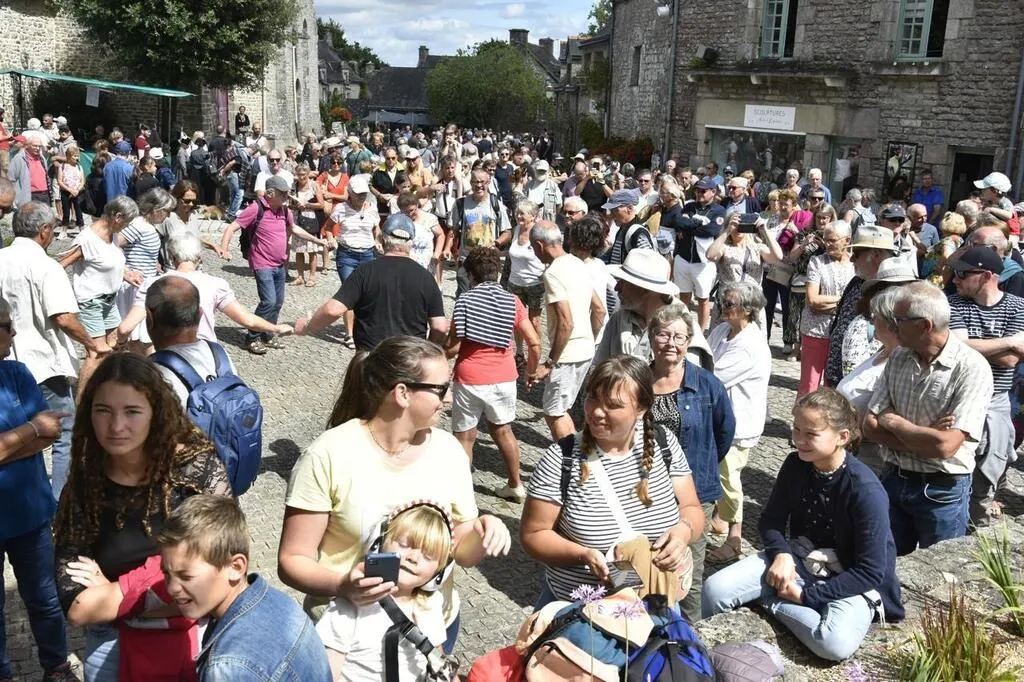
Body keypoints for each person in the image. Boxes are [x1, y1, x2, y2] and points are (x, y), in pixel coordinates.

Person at [278, 336, 512, 655]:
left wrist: (485, 530)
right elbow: (292, 560)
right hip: (348, 640)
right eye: (441, 389)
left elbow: (464, 553)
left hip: (430, 631)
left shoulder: (449, 452)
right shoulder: (327, 455)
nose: (449, 398)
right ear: (402, 393)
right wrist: (344, 585)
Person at [53, 353, 232, 681]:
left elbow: (223, 575)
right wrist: (168, 593)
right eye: (103, 411)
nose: (117, 426)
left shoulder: (194, 470)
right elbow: (77, 606)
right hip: (112, 640)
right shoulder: (85, 481)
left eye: (132, 411)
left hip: (195, 633)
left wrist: (118, 592)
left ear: (156, 414)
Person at [703, 389, 904, 661]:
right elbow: (771, 520)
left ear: (842, 437)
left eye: (811, 434)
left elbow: (870, 571)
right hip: (801, 560)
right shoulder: (795, 464)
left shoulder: (865, 490)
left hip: (850, 577)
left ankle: (768, 600)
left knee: (834, 643)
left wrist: (806, 597)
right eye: (796, 430)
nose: (799, 440)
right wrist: (782, 553)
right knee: (715, 590)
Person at [520, 355, 706, 607]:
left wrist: (684, 531)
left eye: (613, 405)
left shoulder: (664, 444)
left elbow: (692, 508)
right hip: (582, 612)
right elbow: (533, 535)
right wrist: (582, 554)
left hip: (652, 606)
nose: (596, 411)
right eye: (592, 398)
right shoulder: (561, 459)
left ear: (641, 409)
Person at [863, 281, 993, 555]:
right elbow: (870, 426)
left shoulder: (971, 368)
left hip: (941, 491)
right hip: (893, 479)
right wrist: (926, 437)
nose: (892, 326)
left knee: (942, 576)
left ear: (925, 325)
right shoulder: (898, 356)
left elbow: (946, 447)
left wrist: (897, 423)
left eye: (899, 320)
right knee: (886, 562)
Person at [0, 202, 112, 499]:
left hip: (6, 360)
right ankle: (59, 503)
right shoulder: (46, 266)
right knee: (65, 433)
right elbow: (62, 317)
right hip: (42, 364)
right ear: (45, 231)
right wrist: (92, 344)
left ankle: (20, 495)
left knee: (14, 433)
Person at [154, 495, 332, 681]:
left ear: (235, 567)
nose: (172, 588)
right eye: (166, 573)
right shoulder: (279, 602)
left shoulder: (229, 667)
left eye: (186, 576)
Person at [0, 296, 78, 682]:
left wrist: (11, 442)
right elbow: (39, 429)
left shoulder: (15, 373)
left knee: (45, 598)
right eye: (6, 326)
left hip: (30, 514)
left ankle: (57, 666)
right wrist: (28, 431)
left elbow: (52, 433)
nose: (13, 333)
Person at [648, 303, 735, 621]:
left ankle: (689, 646)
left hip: (696, 491)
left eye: (679, 337)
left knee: (690, 575)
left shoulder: (707, 385)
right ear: (651, 337)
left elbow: (724, 434)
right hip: (647, 494)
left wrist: (702, 464)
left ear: (689, 343)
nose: (671, 343)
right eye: (663, 334)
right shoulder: (638, 382)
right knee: (649, 566)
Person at [315, 501, 453, 681]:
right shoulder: (348, 607)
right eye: (404, 544)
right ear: (378, 543)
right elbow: (326, 673)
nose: (413, 558)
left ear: (439, 573)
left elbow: (438, 660)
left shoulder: (430, 604)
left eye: (428, 556)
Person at [946, 246, 1024, 526]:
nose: (955, 279)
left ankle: (975, 527)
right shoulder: (953, 303)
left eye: (962, 273)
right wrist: (1009, 341)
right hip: (958, 397)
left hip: (997, 401)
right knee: (952, 468)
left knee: (989, 471)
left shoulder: (1018, 306)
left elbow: (1011, 360)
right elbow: (958, 345)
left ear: (987, 275)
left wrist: (975, 346)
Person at [118, 234, 292, 355]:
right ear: (199, 258)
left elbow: (125, 328)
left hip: (165, 356)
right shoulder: (216, 285)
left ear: (171, 257)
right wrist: (276, 328)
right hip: (204, 354)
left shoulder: (151, 285)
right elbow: (247, 320)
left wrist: (120, 345)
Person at [296, 214, 447, 351]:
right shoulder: (426, 277)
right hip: (410, 358)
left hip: (372, 357)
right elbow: (440, 327)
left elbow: (332, 310)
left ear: (382, 238)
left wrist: (308, 326)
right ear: (411, 242)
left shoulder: (365, 272)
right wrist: (426, 352)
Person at [218, 175, 324, 355]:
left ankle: (268, 332)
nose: (286, 196)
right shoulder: (255, 208)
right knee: (268, 301)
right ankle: (252, 337)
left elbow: (295, 229)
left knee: (278, 302)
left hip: (280, 263)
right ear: (269, 193)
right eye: (282, 193)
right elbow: (232, 227)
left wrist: (317, 241)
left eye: (287, 193)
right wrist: (224, 248)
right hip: (262, 263)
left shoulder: (284, 211)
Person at [705, 281, 772, 564]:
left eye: (729, 304)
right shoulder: (723, 330)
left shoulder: (749, 345)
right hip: (720, 417)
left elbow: (712, 376)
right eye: (722, 301)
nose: (722, 306)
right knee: (719, 471)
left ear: (748, 310)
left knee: (728, 479)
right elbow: (704, 358)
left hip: (737, 424)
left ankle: (734, 539)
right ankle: (719, 519)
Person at [529, 223, 605, 440]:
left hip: (567, 355)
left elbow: (565, 323)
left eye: (534, 249)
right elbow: (599, 309)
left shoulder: (553, 273)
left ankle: (573, 464)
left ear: (539, 245)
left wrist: (550, 362)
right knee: (563, 410)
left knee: (554, 413)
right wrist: (588, 336)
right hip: (585, 350)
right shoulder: (579, 263)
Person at [58, 196, 139, 394]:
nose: (127, 226)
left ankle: (104, 391)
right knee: (96, 353)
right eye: (127, 222)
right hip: (91, 302)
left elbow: (110, 262)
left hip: (109, 301)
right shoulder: (87, 240)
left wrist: (127, 275)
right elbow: (60, 266)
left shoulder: (112, 235)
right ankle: (82, 403)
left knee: (116, 346)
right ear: (117, 216)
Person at [837, 286, 910, 474]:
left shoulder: (900, 362)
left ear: (890, 323)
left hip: (870, 458)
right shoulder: (883, 350)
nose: (871, 321)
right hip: (851, 450)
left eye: (874, 316)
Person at [822, 225, 897, 388]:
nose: (851, 259)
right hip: (836, 377)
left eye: (856, 254)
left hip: (866, 387)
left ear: (875, 255)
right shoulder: (857, 281)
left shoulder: (893, 290)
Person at [799, 221, 855, 397]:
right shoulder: (817, 262)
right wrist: (845, 301)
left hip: (843, 333)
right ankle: (802, 423)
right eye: (825, 239)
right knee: (810, 385)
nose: (827, 244)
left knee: (833, 386)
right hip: (816, 330)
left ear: (847, 240)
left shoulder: (855, 265)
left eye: (832, 240)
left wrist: (829, 302)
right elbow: (812, 299)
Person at [116, 188, 173, 354]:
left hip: (144, 285)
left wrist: (154, 263)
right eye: (167, 211)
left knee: (141, 338)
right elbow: (113, 246)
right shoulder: (138, 225)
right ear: (156, 210)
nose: (168, 216)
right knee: (143, 337)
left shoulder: (147, 226)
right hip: (133, 288)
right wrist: (126, 271)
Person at [445, 169, 512, 297]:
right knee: (463, 295)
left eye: (482, 182)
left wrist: (495, 243)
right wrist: (448, 248)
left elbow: (507, 233)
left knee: (485, 297)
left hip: (488, 260)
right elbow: (453, 231)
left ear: (489, 182)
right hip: (466, 258)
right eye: (475, 182)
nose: (479, 185)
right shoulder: (460, 204)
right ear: (470, 182)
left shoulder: (496, 205)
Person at [675, 178, 727, 331]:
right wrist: (698, 223)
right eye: (697, 190)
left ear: (713, 192)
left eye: (703, 191)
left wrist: (689, 226)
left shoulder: (719, 210)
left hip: (703, 262)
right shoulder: (689, 206)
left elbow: (711, 231)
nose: (699, 193)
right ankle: (683, 327)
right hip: (683, 257)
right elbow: (679, 223)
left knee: (703, 299)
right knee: (683, 296)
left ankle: (701, 330)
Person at [567, 215, 613, 344]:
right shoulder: (600, 265)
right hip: (601, 332)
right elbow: (613, 297)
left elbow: (599, 310)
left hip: (585, 337)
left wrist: (591, 339)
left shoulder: (575, 268)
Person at [159, 180, 228, 258]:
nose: (191, 204)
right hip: (174, 268)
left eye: (194, 201)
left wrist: (214, 246)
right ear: (176, 198)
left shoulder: (193, 216)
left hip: (195, 267)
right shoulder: (166, 218)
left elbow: (194, 238)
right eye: (187, 201)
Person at [330, 174, 379, 286]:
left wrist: (377, 240)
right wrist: (331, 239)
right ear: (350, 192)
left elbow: (376, 227)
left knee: (366, 289)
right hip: (347, 255)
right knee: (349, 289)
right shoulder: (340, 208)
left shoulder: (372, 208)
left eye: (364, 193)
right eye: (358, 194)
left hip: (368, 255)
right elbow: (328, 227)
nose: (362, 196)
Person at [290, 164, 326, 287]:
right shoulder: (294, 186)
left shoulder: (314, 185)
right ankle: (300, 276)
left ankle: (312, 276)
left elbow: (321, 204)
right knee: (299, 250)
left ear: (308, 174)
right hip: (298, 218)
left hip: (310, 218)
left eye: (303, 175)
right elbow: (290, 204)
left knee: (311, 250)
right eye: (299, 175)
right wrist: (296, 206)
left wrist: (307, 205)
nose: (301, 178)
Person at [398, 191, 444, 283]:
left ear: (417, 205)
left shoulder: (429, 218)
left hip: (426, 263)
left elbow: (440, 235)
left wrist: (437, 252)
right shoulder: (397, 220)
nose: (409, 214)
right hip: (406, 264)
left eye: (412, 210)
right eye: (405, 212)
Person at [56, 145, 85, 235]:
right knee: (66, 211)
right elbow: (60, 181)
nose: (76, 158)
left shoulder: (79, 167)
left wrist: (77, 190)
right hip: (65, 192)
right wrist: (69, 190)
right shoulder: (63, 166)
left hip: (77, 192)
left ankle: (82, 230)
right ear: (68, 156)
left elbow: (82, 181)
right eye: (74, 155)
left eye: (77, 156)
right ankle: (64, 231)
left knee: (79, 211)